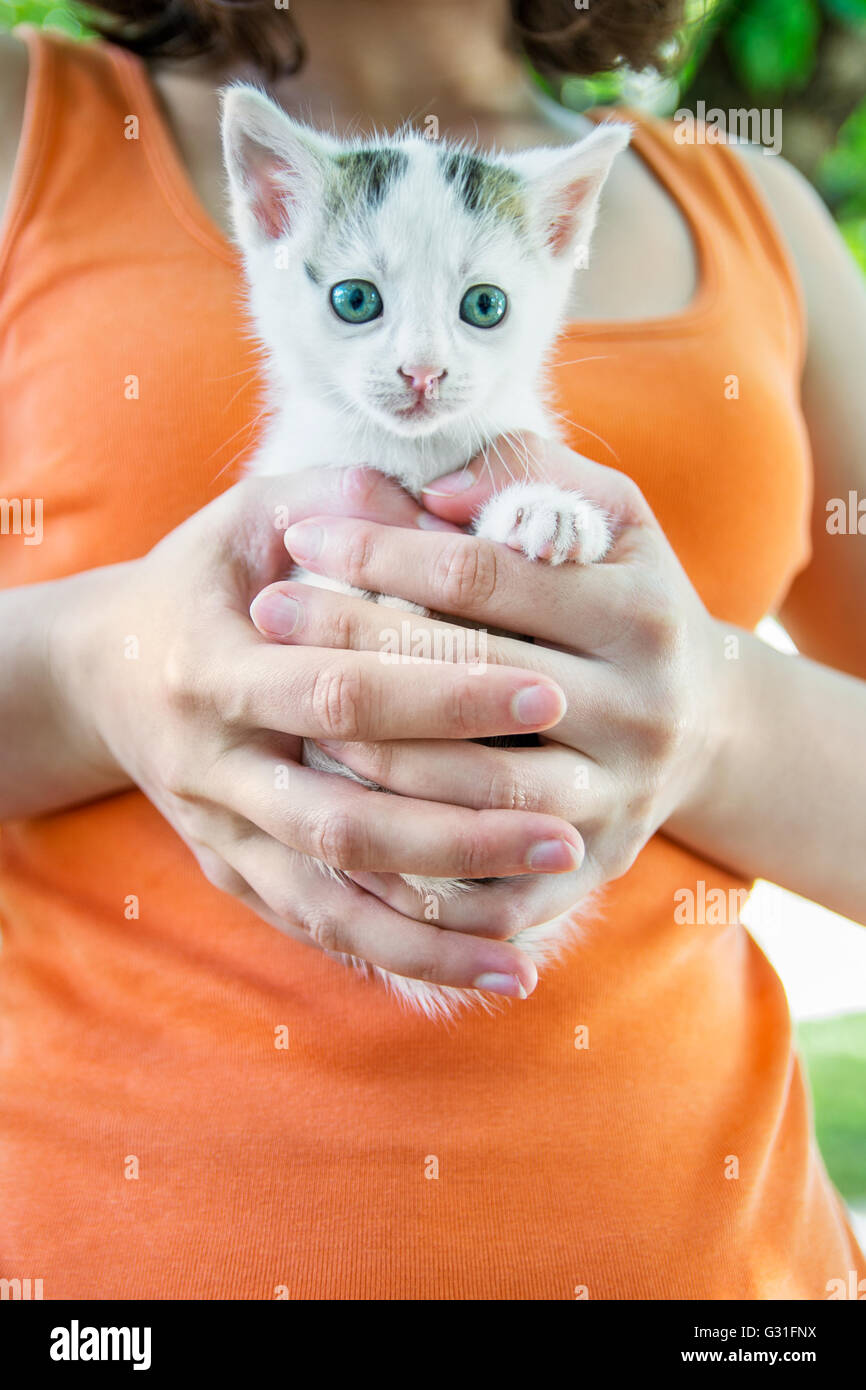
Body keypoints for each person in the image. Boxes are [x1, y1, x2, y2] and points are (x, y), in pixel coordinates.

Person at [0, 0, 863, 1299]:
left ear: (553, 239)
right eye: (359, 303)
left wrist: (719, 720)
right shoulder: (32, 127)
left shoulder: (756, 212)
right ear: (270, 209)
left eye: (471, 310)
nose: (416, 369)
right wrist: (92, 664)